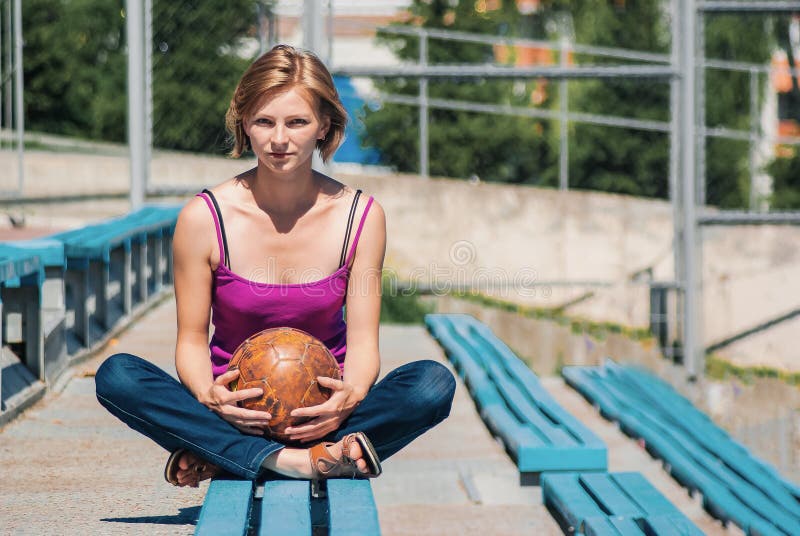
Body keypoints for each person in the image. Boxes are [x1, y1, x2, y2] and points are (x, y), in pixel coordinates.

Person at [94, 44, 455, 487]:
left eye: (297, 122)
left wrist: (347, 398)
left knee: (432, 384)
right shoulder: (204, 217)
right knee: (118, 376)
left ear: (324, 125)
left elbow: (363, 345)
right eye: (264, 121)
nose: (279, 139)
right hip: (233, 415)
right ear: (245, 124)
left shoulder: (360, 216)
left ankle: (225, 456)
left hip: (324, 418)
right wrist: (210, 395)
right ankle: (292, 461)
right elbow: (190, 341)